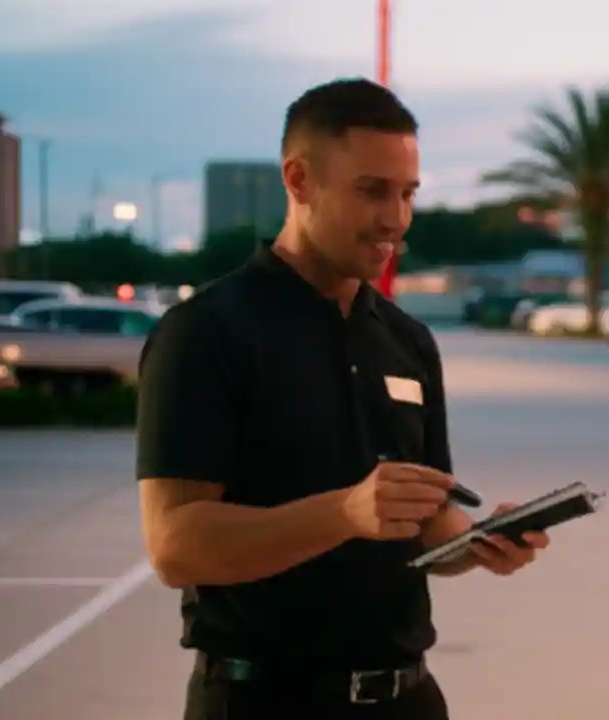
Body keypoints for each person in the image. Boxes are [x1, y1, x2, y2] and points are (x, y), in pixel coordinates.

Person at [135, 78, 551, 720]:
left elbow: (426, 520)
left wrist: (476, 543)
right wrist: (345, 512)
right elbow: (176, 547)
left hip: (408, 698)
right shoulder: (206, 332)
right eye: (372, 190)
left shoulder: (407, 341)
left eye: (408, 193)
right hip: (261, 700)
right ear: (299, 180)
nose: (396, 218)